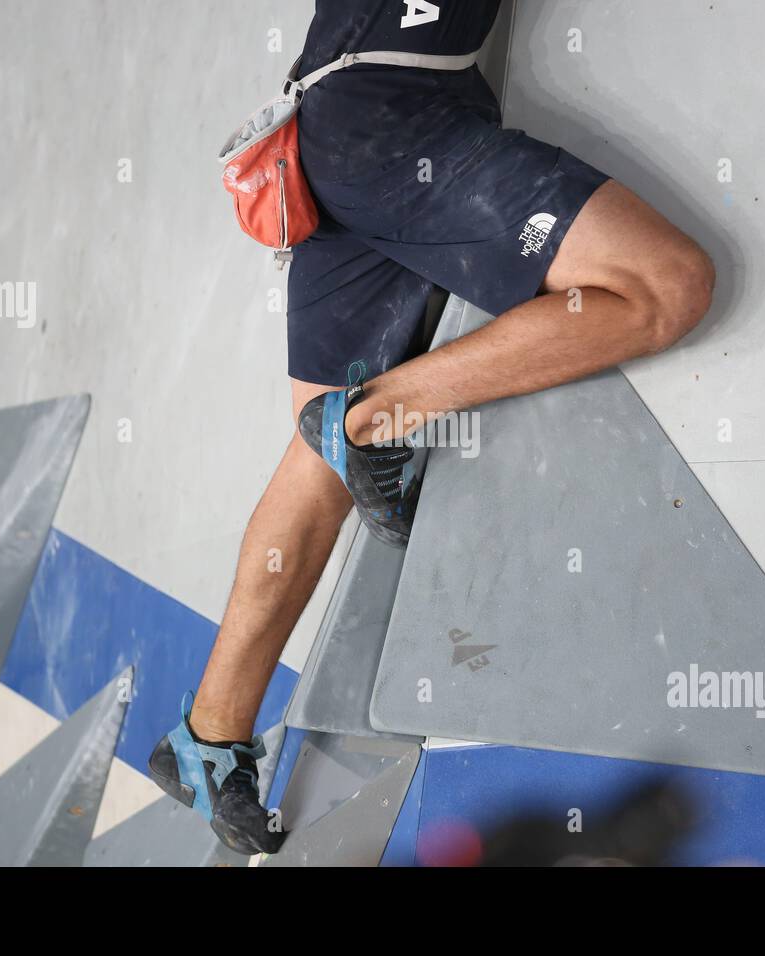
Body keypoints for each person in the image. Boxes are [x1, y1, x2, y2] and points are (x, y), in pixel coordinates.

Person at [148, 0, 714, 855]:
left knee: (316, 447)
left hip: (346, 129)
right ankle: (377, 421)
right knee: (666, 286)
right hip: (388, 128)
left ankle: (208, 734)